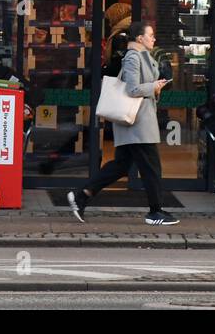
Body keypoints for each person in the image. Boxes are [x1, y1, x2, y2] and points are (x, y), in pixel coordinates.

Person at [68, 21, 180, 226]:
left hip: (138, 120)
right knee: (151, 167)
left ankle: (82, 194)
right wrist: (153, 86)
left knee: (121, 165)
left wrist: (156, 87)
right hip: (137, 122)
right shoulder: (132, 57)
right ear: (139, 38)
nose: (154, 38)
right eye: (151, 35)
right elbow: (132, 89)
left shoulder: (143, 56)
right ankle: (155, 212)